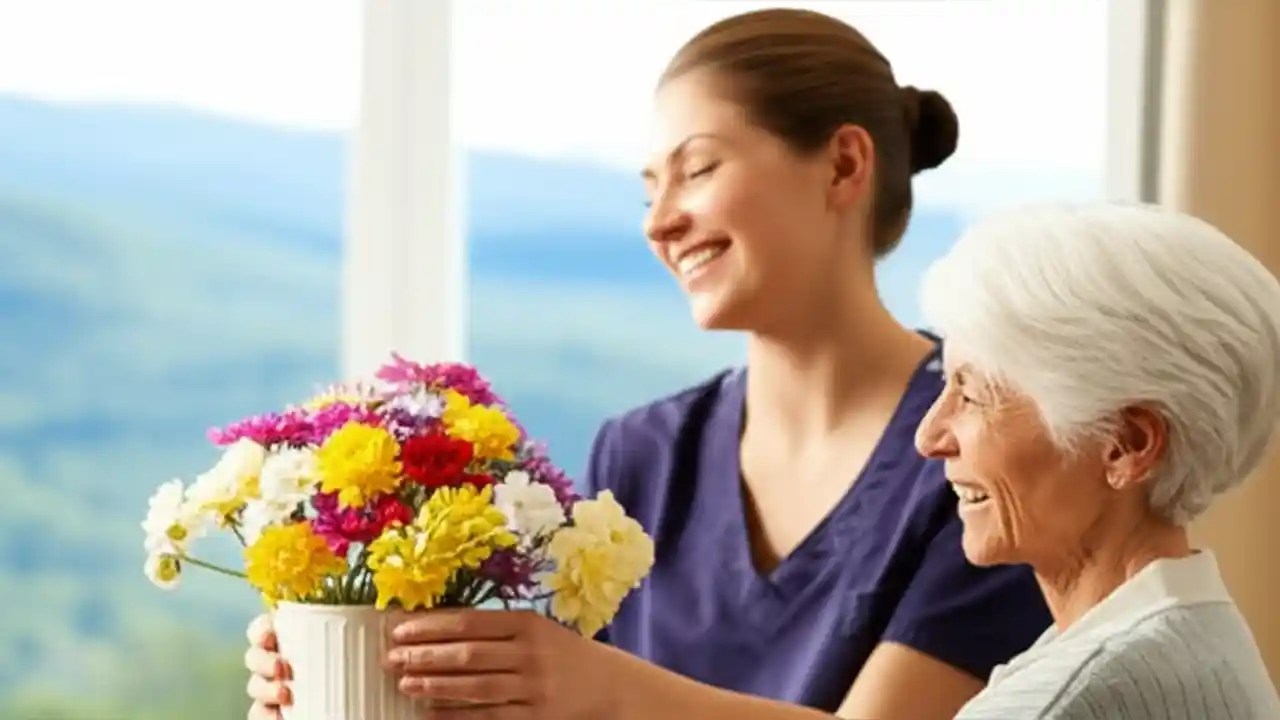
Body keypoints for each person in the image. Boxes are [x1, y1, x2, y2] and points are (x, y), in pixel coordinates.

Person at [244, 8, 1050, 719]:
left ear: (843, 165)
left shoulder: (982, 451)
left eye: (698, 170)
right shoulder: (641, 456)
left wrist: (596, 685)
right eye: (647, 190)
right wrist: (343, 677)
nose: (661, 222)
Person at [914, 204, 1280, 718]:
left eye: (971, 395)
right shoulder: (1199, 635)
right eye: (942, 384)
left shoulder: (1070, 697)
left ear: (1126, 444)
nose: (929, 437)